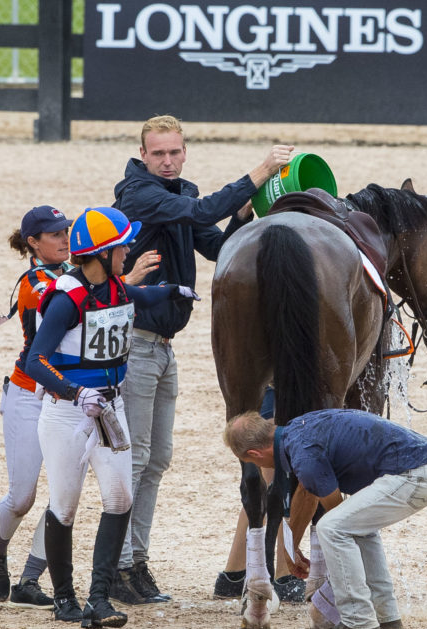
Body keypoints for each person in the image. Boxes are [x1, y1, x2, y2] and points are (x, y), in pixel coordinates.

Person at [111, 113, 295, 604]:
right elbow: (198, 213)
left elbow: (216, 244)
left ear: (184, 151)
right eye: (158, 154)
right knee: (135, 459)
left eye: (175, 152)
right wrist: (256, 174)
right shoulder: (137, 193)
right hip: (135, 342)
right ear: (143, 155)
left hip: (163, 347)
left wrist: (247, 215)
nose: (167, 161)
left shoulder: (177, 193)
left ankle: (136, 564)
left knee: (156, 460)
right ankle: (119, 567)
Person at [25, 206, 200, 629]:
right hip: (69, 413)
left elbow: (141, 296)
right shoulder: (67, 299)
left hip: (110, 408)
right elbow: (35, 361)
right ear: (102, 254)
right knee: (64, 507)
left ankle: (99, 598)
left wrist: (175, 290)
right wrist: (75, 390)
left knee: (119, 499)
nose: (128, 251)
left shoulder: (116, 287)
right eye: (122, 246)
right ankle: (65, 597)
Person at [0, 205, 159, 610]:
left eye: (67, 231)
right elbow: (63, 309)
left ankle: (36, 580)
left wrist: (122, 287)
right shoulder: (40, 285)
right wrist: (120, 285)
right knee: (24, 497)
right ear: (33, 243)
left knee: (84, 496)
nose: (64, 239)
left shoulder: (85, 278)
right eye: (53, 234)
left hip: (88, 396)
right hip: (35, 392)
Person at [223, 409, 427, 629]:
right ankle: (388, 620)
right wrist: (291, 551)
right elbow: (306, 489)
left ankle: (358, 623)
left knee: (333, 527)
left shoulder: (303, 453)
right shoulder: (299, 430)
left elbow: (334, 510)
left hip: (418, 474)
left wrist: (295, 553)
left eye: (252, 463)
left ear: (254, 454)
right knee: (354, 525)